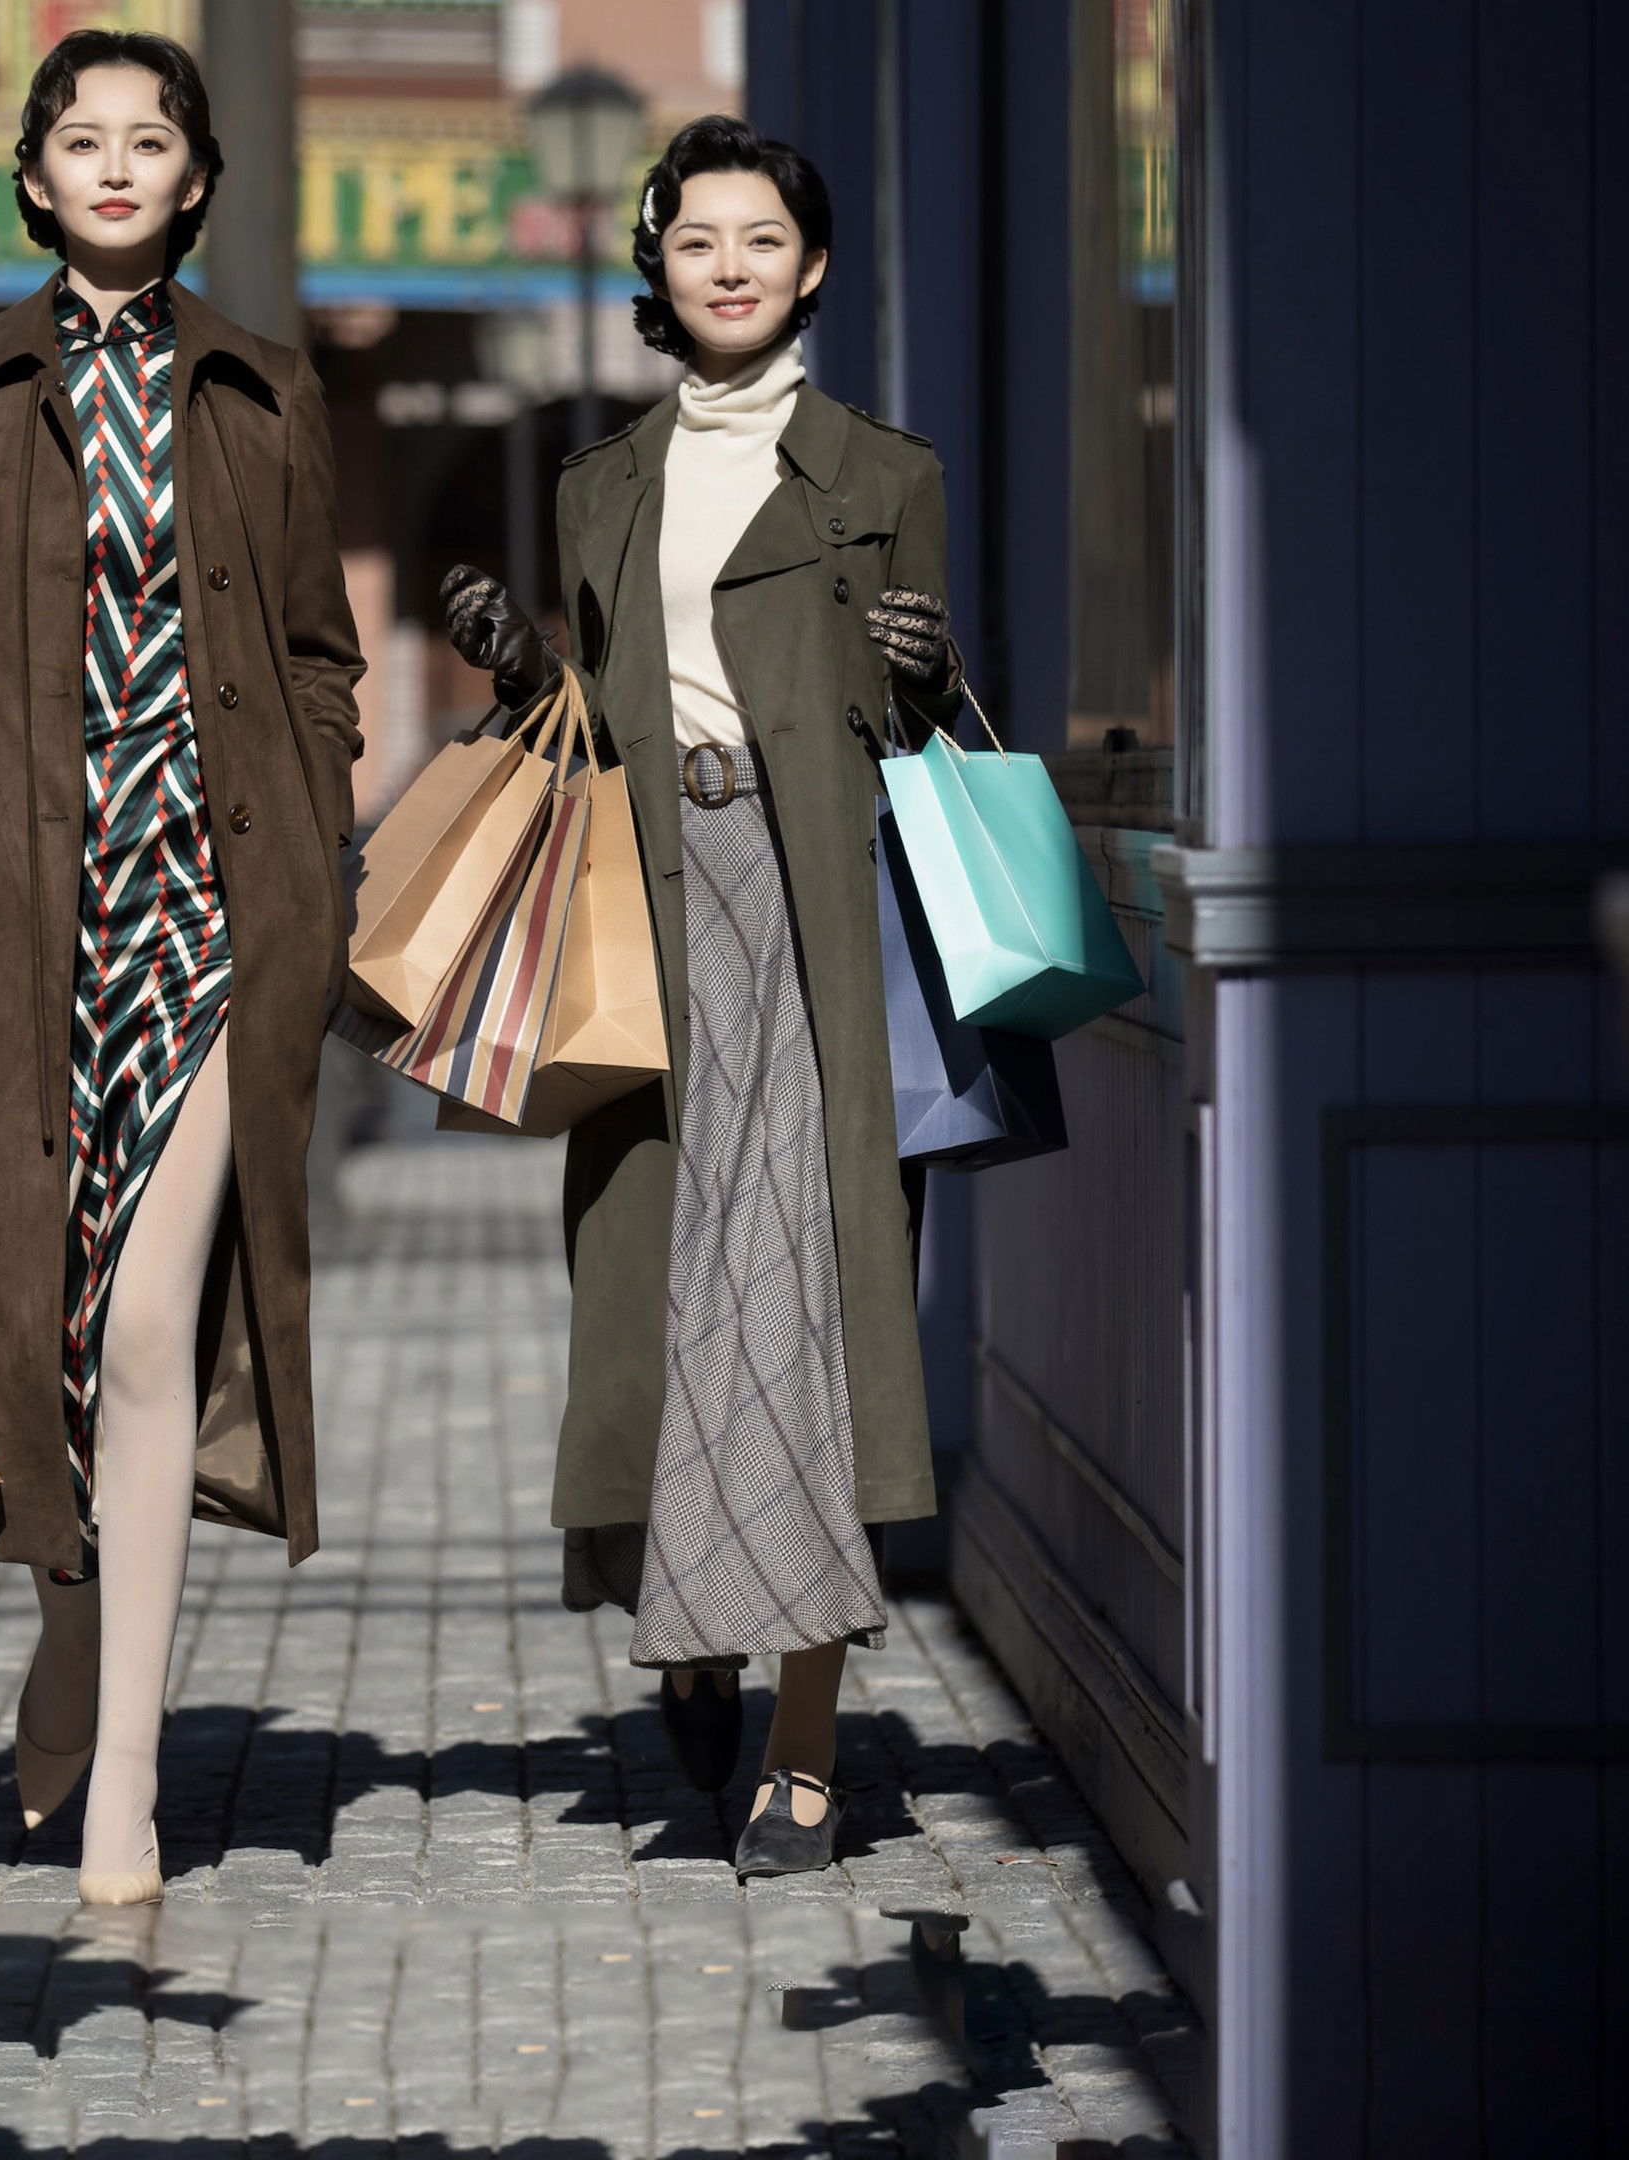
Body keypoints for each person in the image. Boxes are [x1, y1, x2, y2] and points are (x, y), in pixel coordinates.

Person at [0, 27, 366, 1908]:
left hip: (209, 923)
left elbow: (315, 659)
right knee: (39, 1335)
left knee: (144, 1333)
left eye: (152, 140)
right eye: (82, 140)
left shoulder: (269, 392)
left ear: (198, 179)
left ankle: (124, 1782)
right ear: (35, 179)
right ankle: (73, 1612)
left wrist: (324, 866)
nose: (116, 165)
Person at [437, 115, 967, 1880]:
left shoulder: (882, 472)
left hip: (821, 929)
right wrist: (529, 668)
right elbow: (592, 712)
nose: (729, 265)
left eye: (763, 239)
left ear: (812, 267)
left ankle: (804, 1748)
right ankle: (704, 1628)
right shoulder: (604, 486)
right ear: (656, 270)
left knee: (802, 1313)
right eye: (695, 241)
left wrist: (935, 665)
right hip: (650, 931)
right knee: (673, 1301)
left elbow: (927, 722)